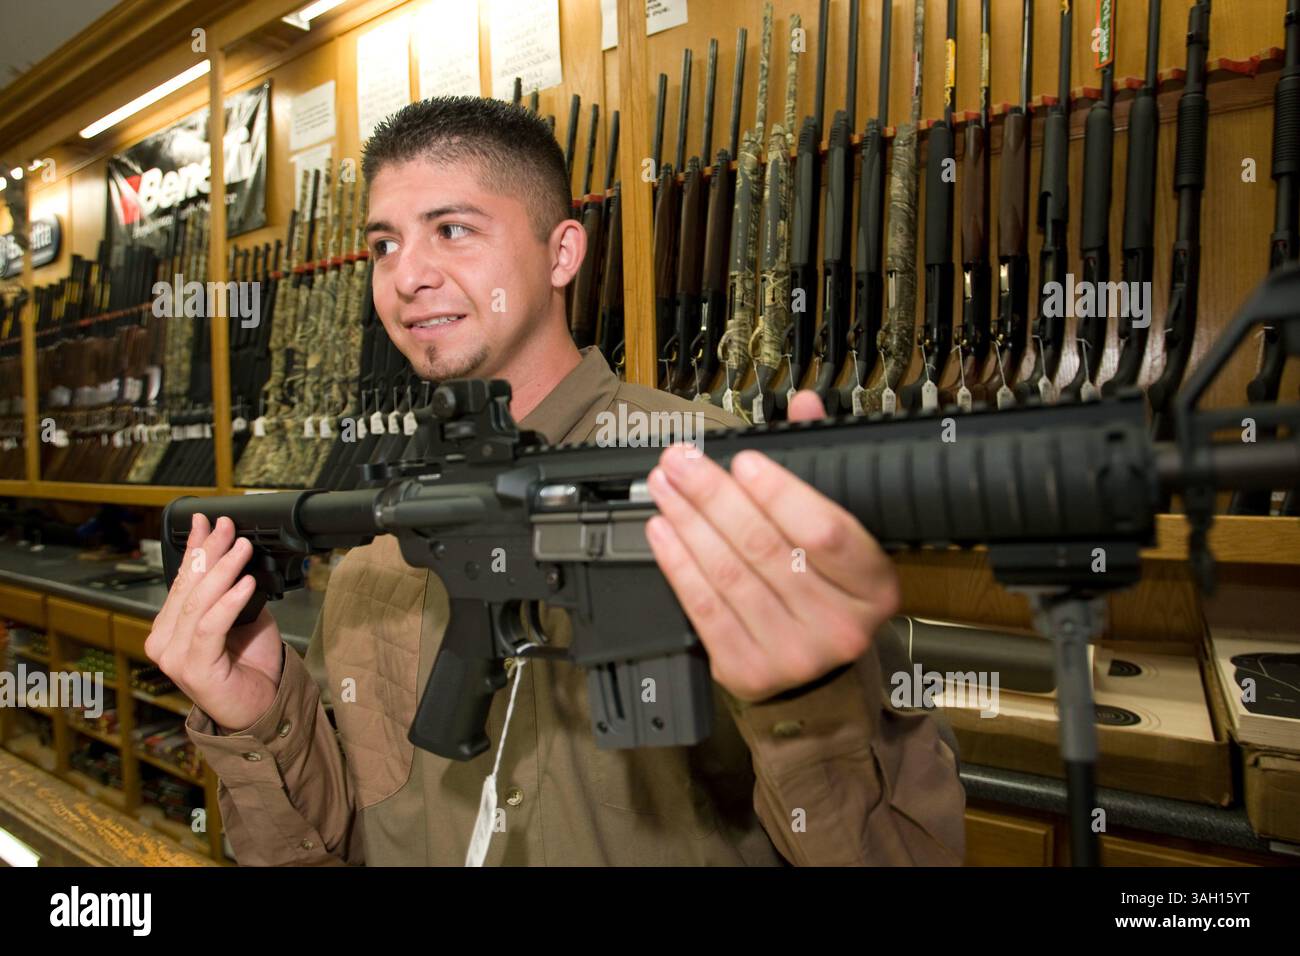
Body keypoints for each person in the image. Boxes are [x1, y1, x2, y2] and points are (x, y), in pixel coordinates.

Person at [152, 96, 965, 865]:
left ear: (561, 253)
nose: (407, 277)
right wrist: (257, 713)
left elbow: (905, 854)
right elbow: (342, 847)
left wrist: (806, 707)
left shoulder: (711, 477)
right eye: (384, 245)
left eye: (453, 229)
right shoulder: (379, 534)